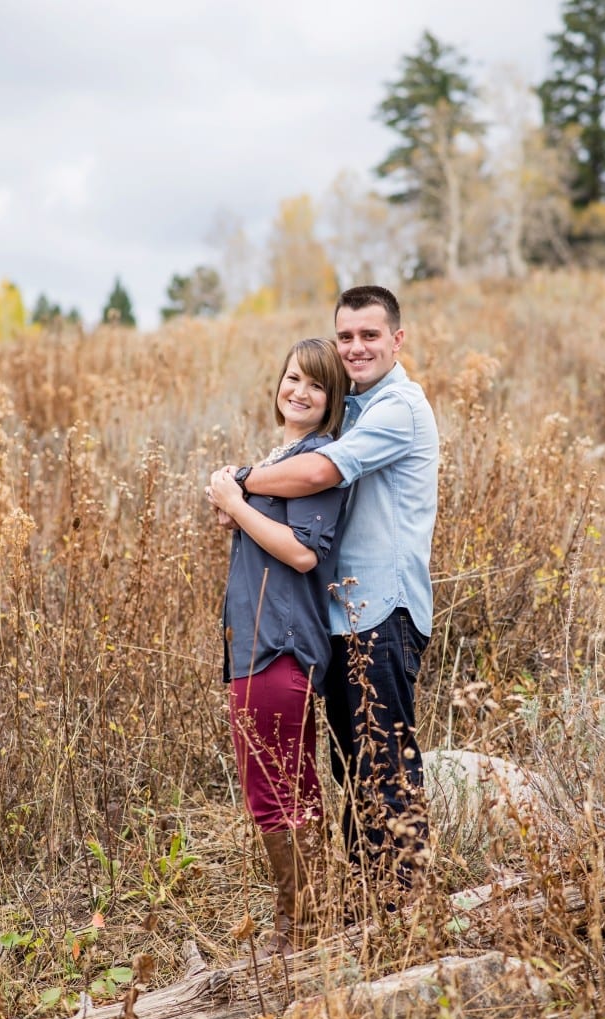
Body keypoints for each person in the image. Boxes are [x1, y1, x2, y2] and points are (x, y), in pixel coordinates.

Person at [211, 286, 439, 913]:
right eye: (346, 336)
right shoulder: (353, 410)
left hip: (382, 613)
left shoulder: (399, 408)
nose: (356, 347)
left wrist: (237, 487)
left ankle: (402, 914)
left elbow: (317, 475)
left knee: (383, 766)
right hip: (340, 619)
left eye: (371, 335)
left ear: (398, 339)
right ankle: (364, 911)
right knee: (352, 770)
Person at [206, 337, 348, 955]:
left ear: (332, 400)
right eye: (293, 378)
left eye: (316, 385)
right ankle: (312, 922)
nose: (300, 391)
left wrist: (237, 502)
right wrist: (238, 502)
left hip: (278, 646)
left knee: (273, 795)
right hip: (257, 643)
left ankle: (297, 932)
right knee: (294, 788)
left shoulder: (318, 459)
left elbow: (302, 551)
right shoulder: (283, 458)